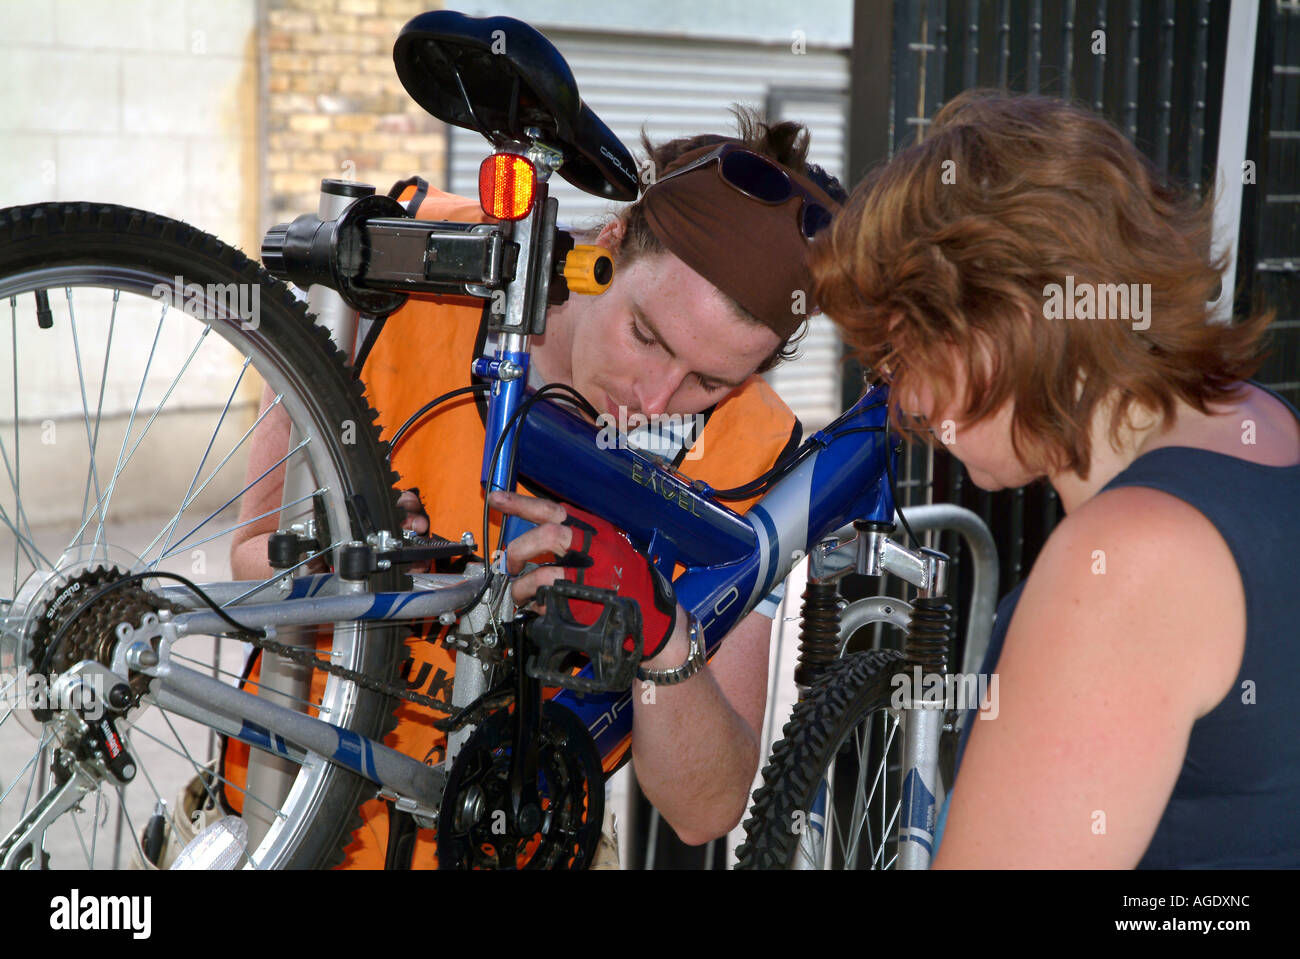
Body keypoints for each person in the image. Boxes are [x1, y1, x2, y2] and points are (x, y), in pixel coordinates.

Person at [222, 108, 845, 868]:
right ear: (608, 243)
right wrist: (349, 567)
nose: (653, 397)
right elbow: (252, 558)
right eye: (647, 335)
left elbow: (702, 808)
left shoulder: (751, 446)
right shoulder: (403, 260)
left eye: (709, 381)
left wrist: (660, 631)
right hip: (279, 827)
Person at [811, 88, 1300, 867]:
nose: (900, 400)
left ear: (1001, 326)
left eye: (902, 356)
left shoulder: (1129, 561)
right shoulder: (1262, 426)